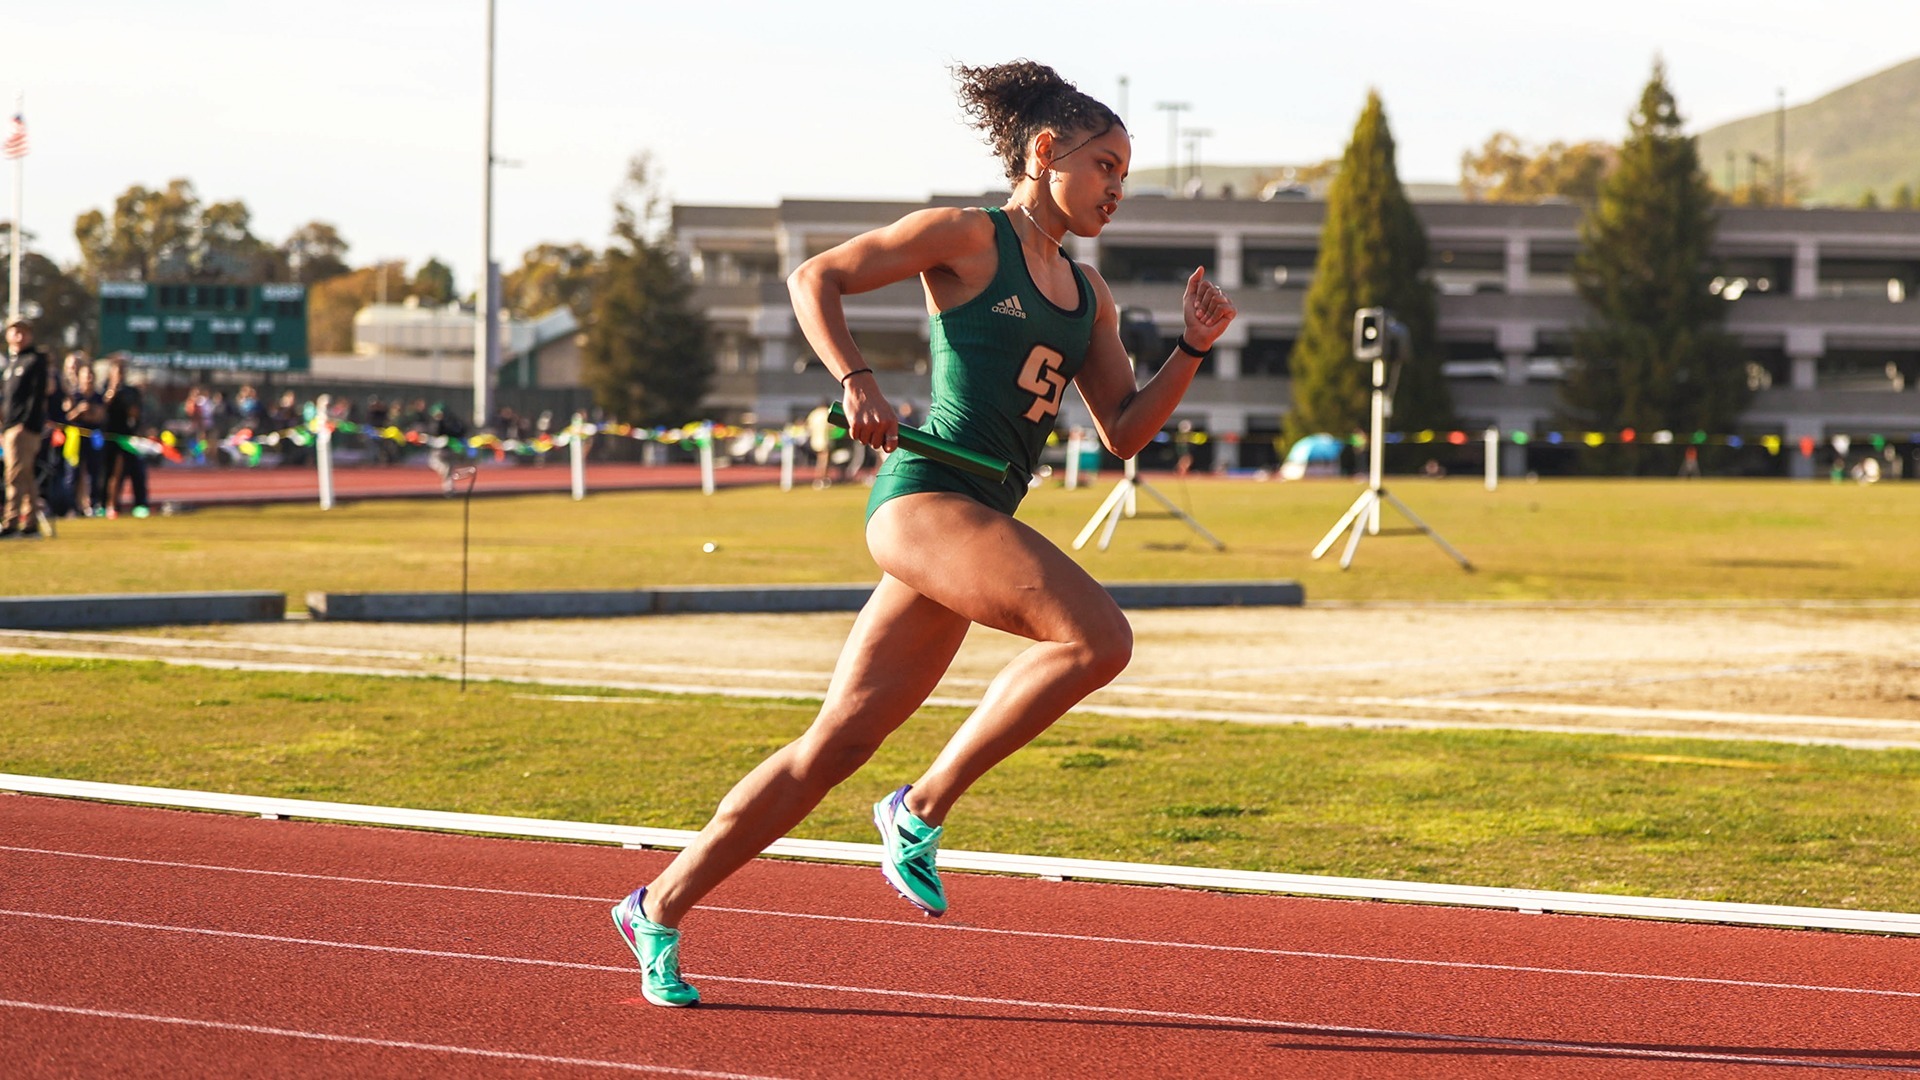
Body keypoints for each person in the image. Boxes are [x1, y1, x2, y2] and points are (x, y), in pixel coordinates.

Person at [610, 60, 1236, 1008]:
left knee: (832, 746)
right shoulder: (966, 235)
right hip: (925, 496)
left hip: (980, 517)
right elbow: (815, 276)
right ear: (1043, 153)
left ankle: (656, 905)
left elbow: (1124, 432)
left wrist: (1189, 350)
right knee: (1097, 638)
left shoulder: (1089, 294)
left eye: (1126, 173)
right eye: (1105, 164)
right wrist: (855, 378)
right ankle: (920, 807)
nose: (1117, 187)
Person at [1, 317, 55, 538]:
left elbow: (36, 396)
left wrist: (26, 423)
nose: (19, 337)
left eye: (23, 332)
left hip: (24, 428)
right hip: (10, 426)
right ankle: (31, 522)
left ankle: (11, 522)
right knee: (25, 475)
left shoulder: (34, 361)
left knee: (14, 475)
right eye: (15, 332)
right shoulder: (11, 363)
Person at [101, 355, 151, 519]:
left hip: (129, 437)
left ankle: (140, 504)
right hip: (111, 438)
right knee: (113, 473)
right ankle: (110, 504)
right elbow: (103, 408)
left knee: (137, 471)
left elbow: (138, 413)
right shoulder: (105, 389)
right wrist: (113, 389)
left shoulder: (132, 392)